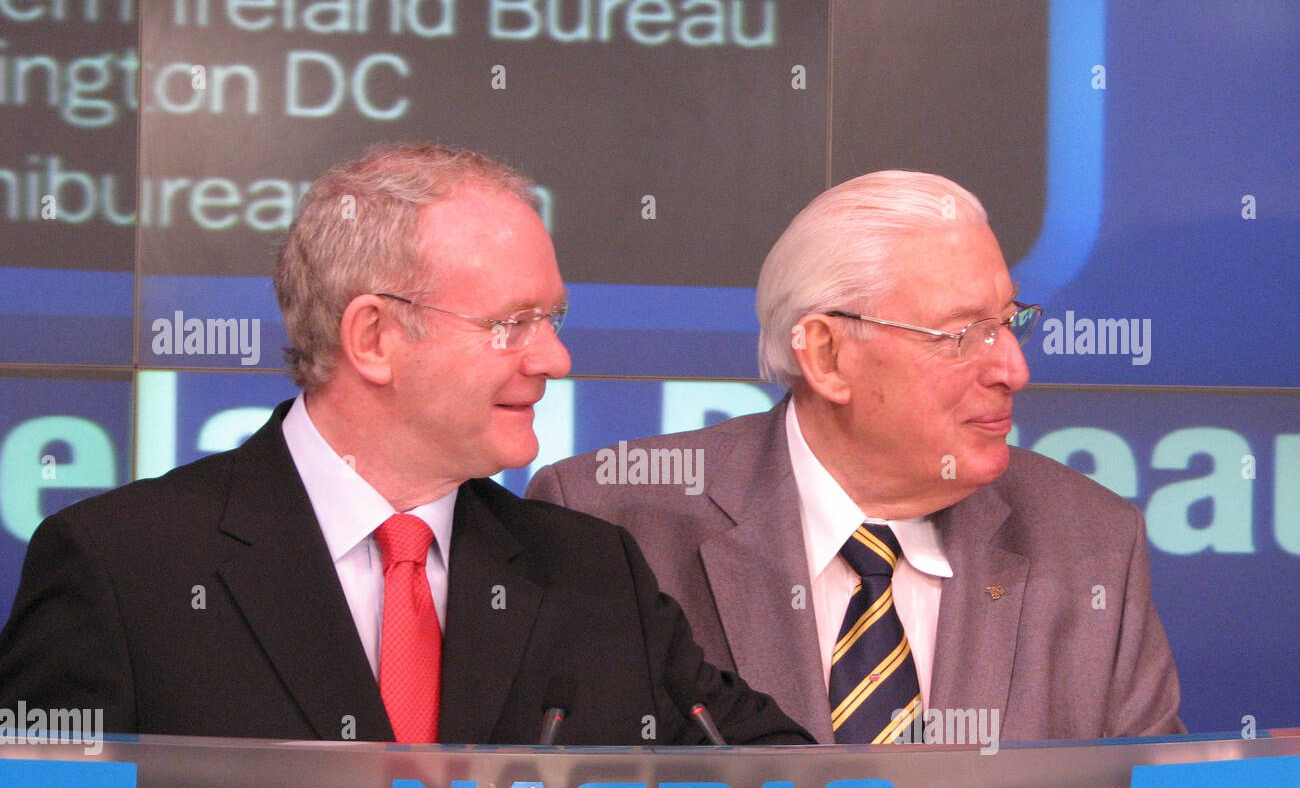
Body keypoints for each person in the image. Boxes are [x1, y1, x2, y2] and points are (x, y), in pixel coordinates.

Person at [0, 144, 809, 747]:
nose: (553, 358)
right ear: (375, 337)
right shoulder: (122, 568)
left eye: (550, 319)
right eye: (510, 323)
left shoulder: (594, 573)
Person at [529, 171, 1184, 744]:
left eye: (1009, 323)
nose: (1013, 368)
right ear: (826, 356)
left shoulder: (1091, 541)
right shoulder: (609, 523)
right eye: (963, 335)